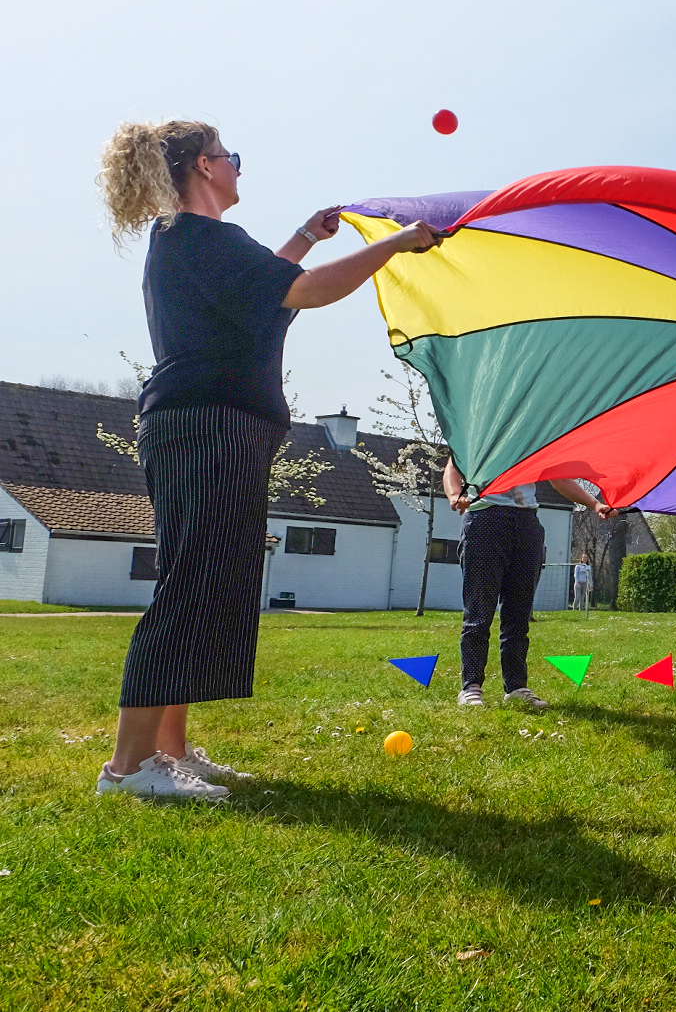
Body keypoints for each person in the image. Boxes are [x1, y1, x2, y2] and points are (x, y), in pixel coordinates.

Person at [95, 120, 441, 800]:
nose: (237, 167)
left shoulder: (193, 244)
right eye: (231, 156)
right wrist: (398, 244)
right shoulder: (199, 237)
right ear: (204, 166)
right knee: (190, 586)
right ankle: (128, 768)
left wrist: (306, 236)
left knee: (206, 584)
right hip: (205, 426)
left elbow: (268, 289)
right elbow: (303, 291)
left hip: (215, 426)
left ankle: (170, 751)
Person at [443, 461, 614, 708]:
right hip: (484, 520)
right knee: (479, 613)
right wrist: (454, 494)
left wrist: (595, 504)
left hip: (527, 524)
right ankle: (471, 687)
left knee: (519, 614)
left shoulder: (532, 441)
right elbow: (454, 466)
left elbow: (558, 476)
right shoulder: (476, 436)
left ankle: (516, 687)